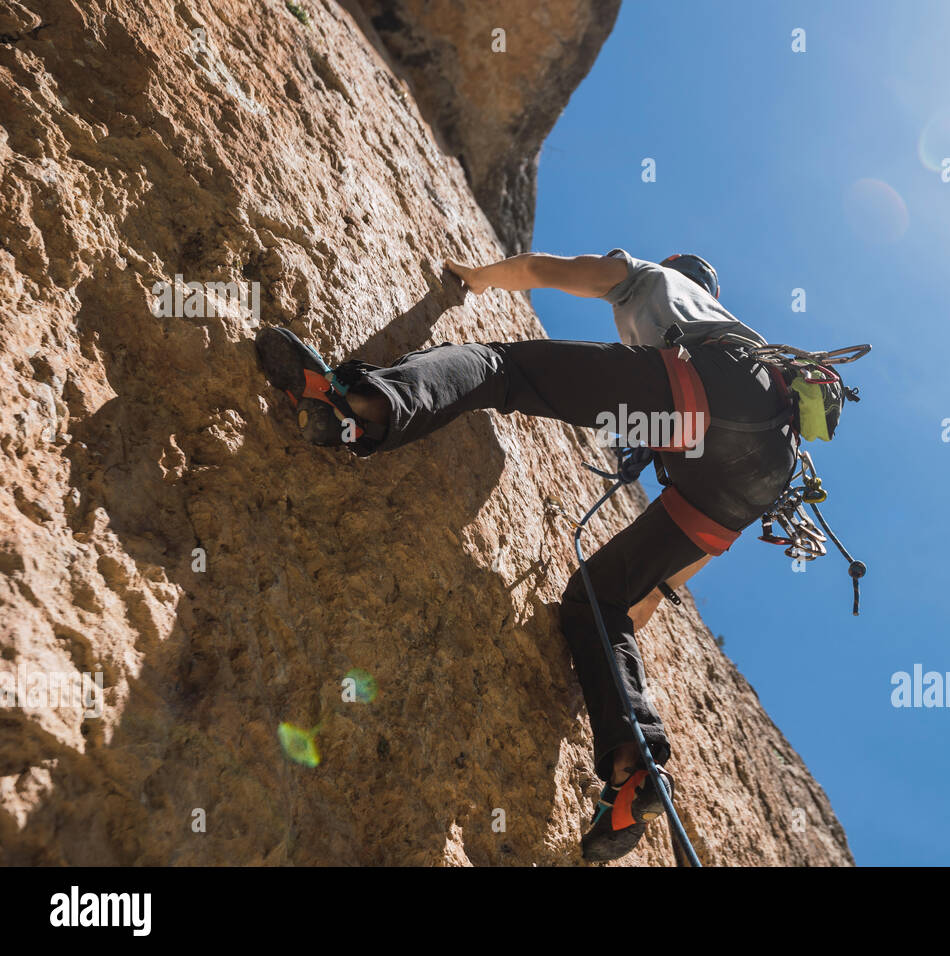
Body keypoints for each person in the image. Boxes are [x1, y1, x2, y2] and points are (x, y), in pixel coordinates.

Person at [255, 249, 803, 861]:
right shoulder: (753, 345)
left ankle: (361, 406)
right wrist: (620, 615)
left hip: (703, 395)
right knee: (597, 601)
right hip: (759, 476)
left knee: (502, 367)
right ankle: (632, 770)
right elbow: (654, 591)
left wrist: (476, 276)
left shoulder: (651, 280)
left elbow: (546, 269)